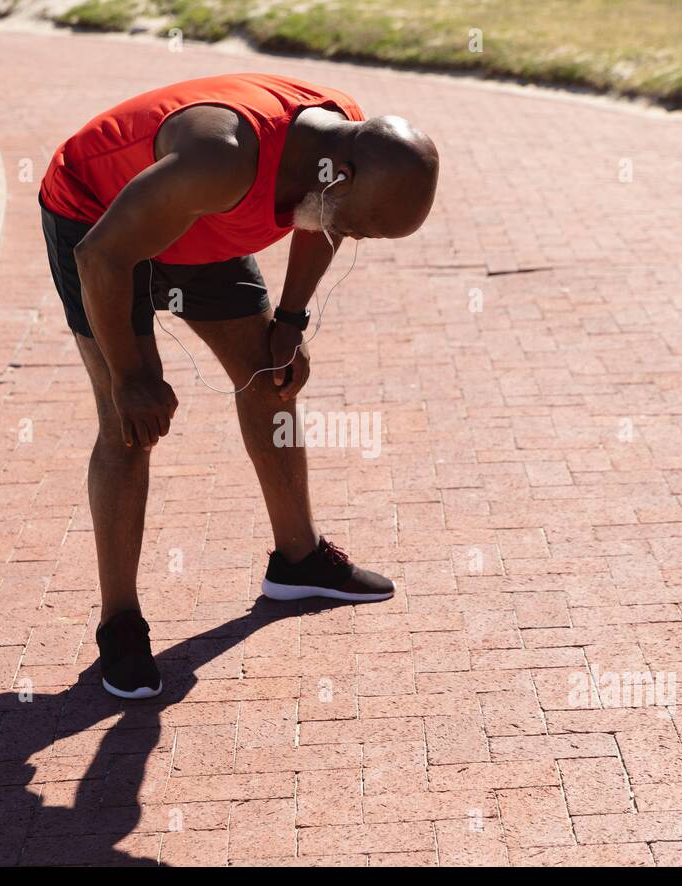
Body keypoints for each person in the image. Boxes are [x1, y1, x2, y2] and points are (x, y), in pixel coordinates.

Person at [39, 73, 439, 698]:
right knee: (130, 424)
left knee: (270, 379)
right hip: (99, 220)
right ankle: (119, 624)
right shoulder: (220, 158)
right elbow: (101, 256)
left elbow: (324, 221)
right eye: (364, 226)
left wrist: (291, 318)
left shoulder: (341, 140)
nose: (354, 236)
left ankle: (297, 559)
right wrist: (132, 376)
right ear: (341, 176)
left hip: (198, 219)